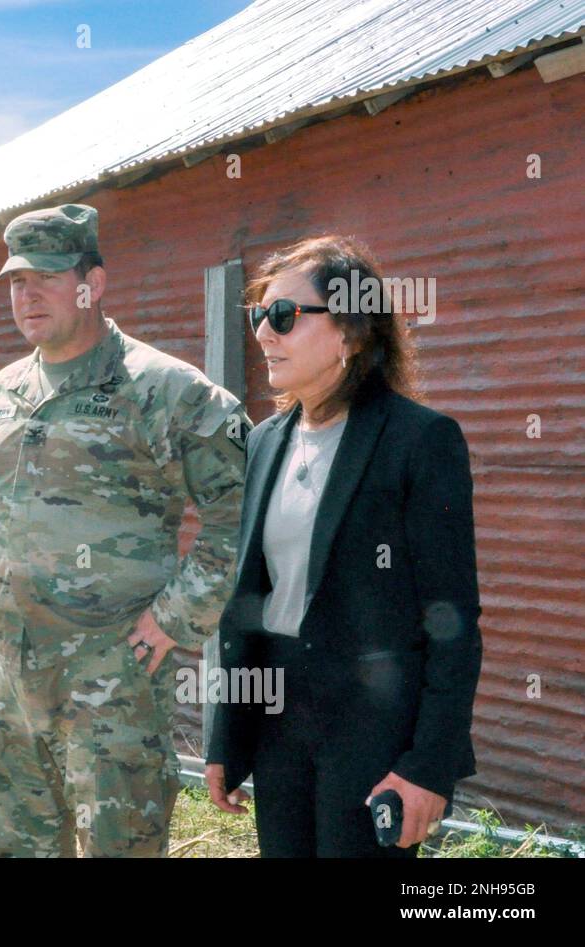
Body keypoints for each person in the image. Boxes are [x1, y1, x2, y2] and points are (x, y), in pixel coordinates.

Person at [0, 203, 251, 857]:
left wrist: (177, 617)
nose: (25, 293)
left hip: (112, 692)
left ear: (94, 282)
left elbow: (240, 513)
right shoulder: (1, 393)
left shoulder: (166, 392)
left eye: (47, 275)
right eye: (14, 280)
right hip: (11, 688)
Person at [204, 235, 483, 857]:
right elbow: (250, 598)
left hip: (373, 730)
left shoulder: (420, 441)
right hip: (279, 719)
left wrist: (429, 766)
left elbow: (453, 619)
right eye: (258, 316)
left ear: (353, 332)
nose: (264, 334)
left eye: (284, 317)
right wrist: (227, 738)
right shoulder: (263, 442)